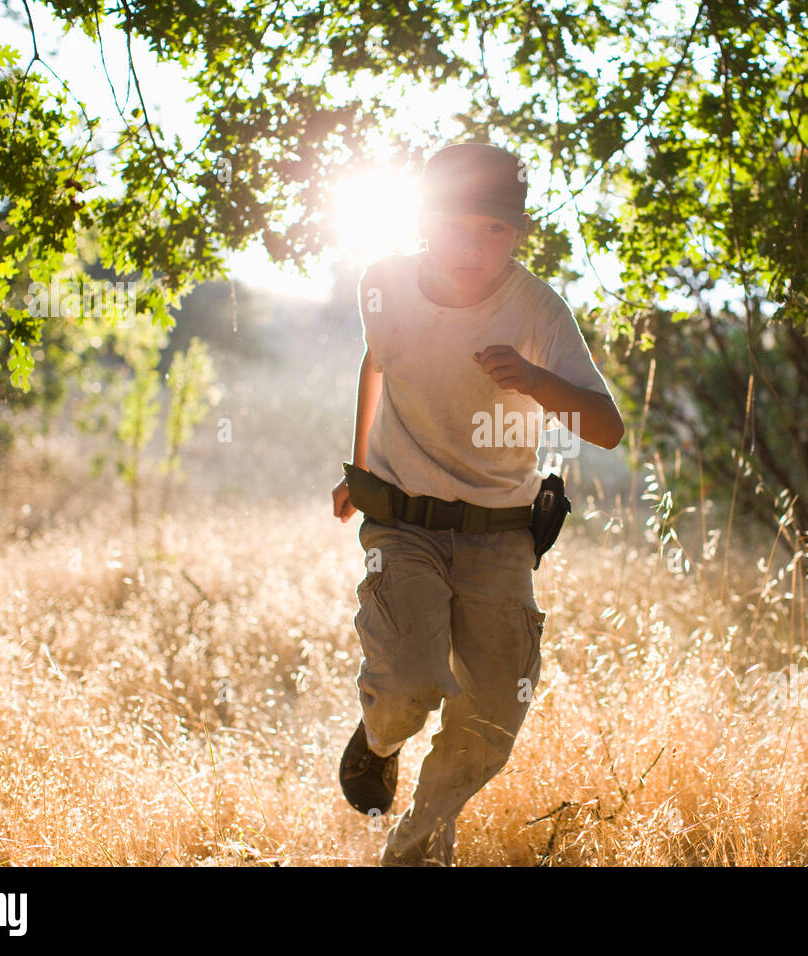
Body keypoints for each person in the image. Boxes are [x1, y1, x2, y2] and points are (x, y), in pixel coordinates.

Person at [330, 141, 624, 866]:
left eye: (495, 230)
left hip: (500, 538)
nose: (476, 245)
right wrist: (360, 466)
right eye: (460, 224)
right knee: (406, 685)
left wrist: (533, 379)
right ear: (425, 219)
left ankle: (414, 850)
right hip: (402, 522)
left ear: (518, 234)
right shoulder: (384, 284)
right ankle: (379, 741)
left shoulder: (536, 306)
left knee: (488, 724)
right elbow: (379, 359)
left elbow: (608, 427)